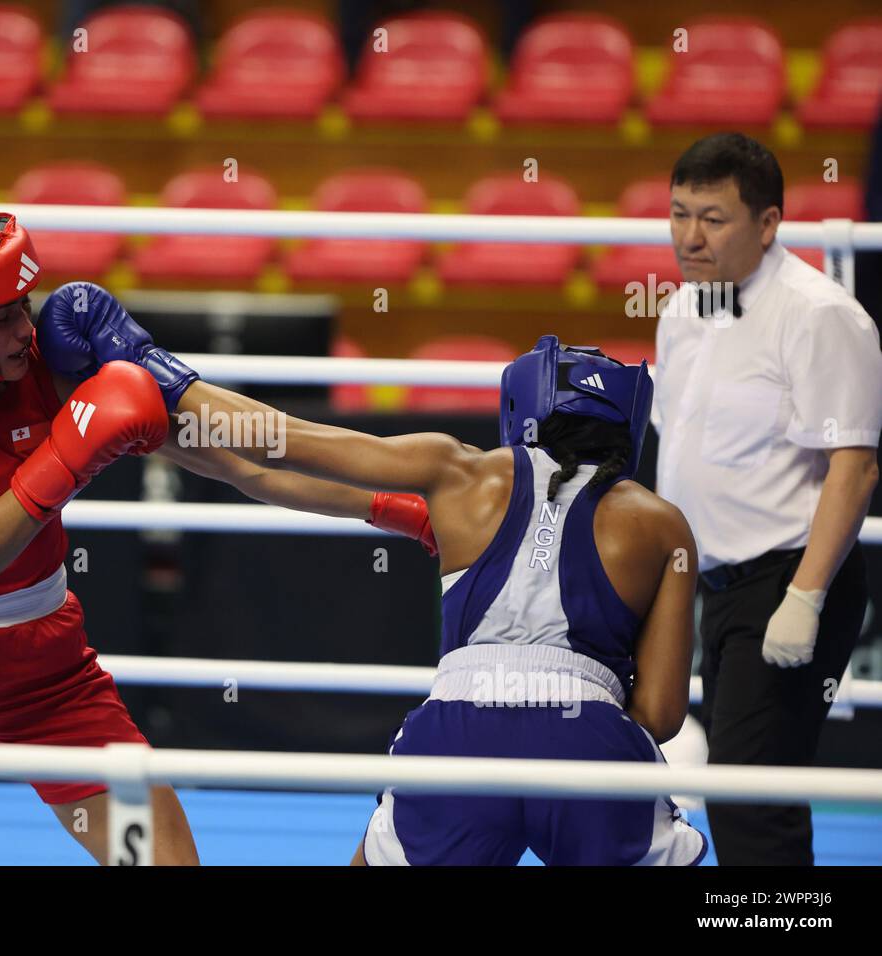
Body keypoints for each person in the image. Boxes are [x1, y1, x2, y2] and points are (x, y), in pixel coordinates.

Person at [0, 213, 435, 865]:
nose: (25, 328)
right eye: (2, 317)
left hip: (44, 671)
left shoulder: (57, 365)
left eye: (24, 305)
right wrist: (66, 458)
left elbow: (243, 463)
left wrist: (395, 508)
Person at [39, 298, 708, 865]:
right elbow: (661, 715)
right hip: (589, 743)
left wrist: (152, 381)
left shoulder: (458, 476)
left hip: (459, 736)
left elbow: (273, 447)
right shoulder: (663, 527)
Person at [653, 132, 882, 865]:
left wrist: (807, 596)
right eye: (680, 213)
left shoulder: (820, 314)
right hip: (715, 588)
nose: (691, 236)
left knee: (750, 799)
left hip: (788, 578)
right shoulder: (682, 310)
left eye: (713, 218)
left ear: (769, 222)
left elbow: (856, 464)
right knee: (747, 793)